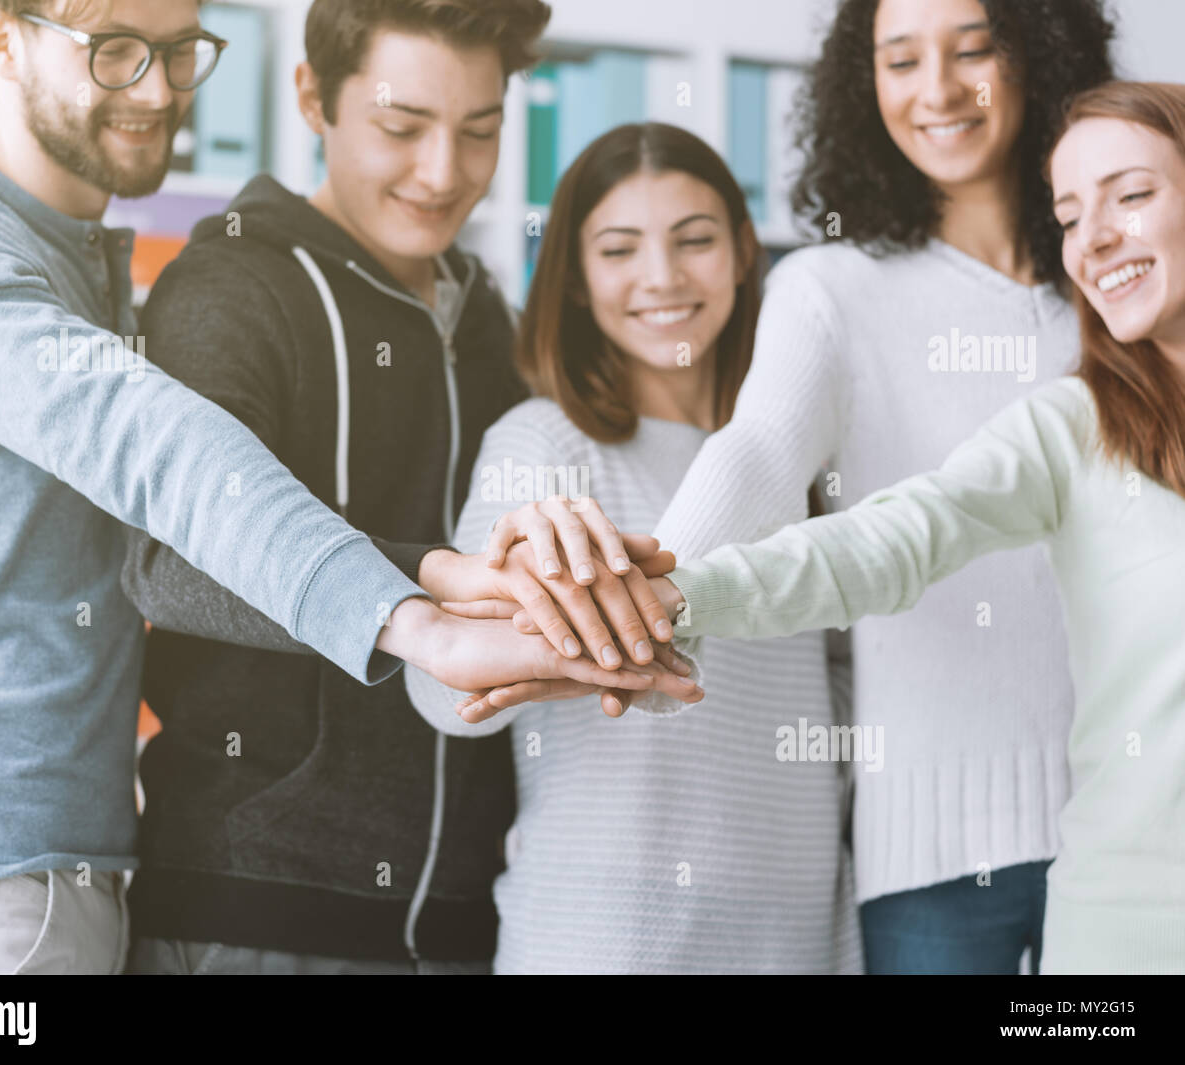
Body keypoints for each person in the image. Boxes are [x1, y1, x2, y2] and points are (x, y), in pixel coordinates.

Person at [0, 0, 689, 976]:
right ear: (0, 40)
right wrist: (421, 610)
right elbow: (158, 461)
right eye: (115, 51)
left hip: (112, 873)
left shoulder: (91, 266)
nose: (158, 90)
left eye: (180, 51)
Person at [472, 0, 1119, 975]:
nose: (938, 89)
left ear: (1041, 52)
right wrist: (664, 605)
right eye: (900, 60)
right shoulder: (829, 287)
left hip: (1131, 821)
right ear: (863, 83)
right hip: (929, 852)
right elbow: (763, 452)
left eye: (973, 49)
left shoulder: (1118, 286)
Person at [406, 123, 861, 974]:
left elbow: (841, 682)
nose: (662, 278)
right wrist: (533, 611)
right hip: (601, 936)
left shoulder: (799, 457)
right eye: (619, 250)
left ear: (745, 252)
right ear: (576, 280)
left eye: (695, 240)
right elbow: (441, 694)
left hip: (793, 931)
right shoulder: (543, 445)